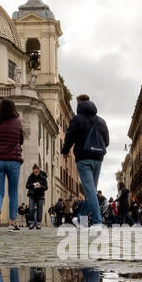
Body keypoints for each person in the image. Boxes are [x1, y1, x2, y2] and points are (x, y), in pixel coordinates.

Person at [62, 94, 109, 228]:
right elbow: (107, 141)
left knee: (90, 192)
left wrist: (65, 151)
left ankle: (97, 222)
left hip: (84, 158)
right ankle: (79, 219)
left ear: (79, 103)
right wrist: (97, 149)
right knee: (91, 192)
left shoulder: (77, 119)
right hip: (98, 157)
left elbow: (69, 136)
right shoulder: (101, 121)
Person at [0, 99, 25, 233]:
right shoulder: (18, 122)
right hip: (13, 160)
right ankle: (13, 222)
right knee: (13, 192)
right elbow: (21, 140)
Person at [25, 164, 48, 229]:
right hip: (32, 195)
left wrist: (40, 186)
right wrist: (33, 185)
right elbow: (27, 186)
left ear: (39, 170)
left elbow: (46, 187)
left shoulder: (43, 177)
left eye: (36, 172)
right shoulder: (30, 177)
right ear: (33, 171)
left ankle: (38, 223)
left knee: (39, 210)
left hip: (40, 195)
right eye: (34, 172)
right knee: (31, 209)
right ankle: (31, 223)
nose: (35, 173)